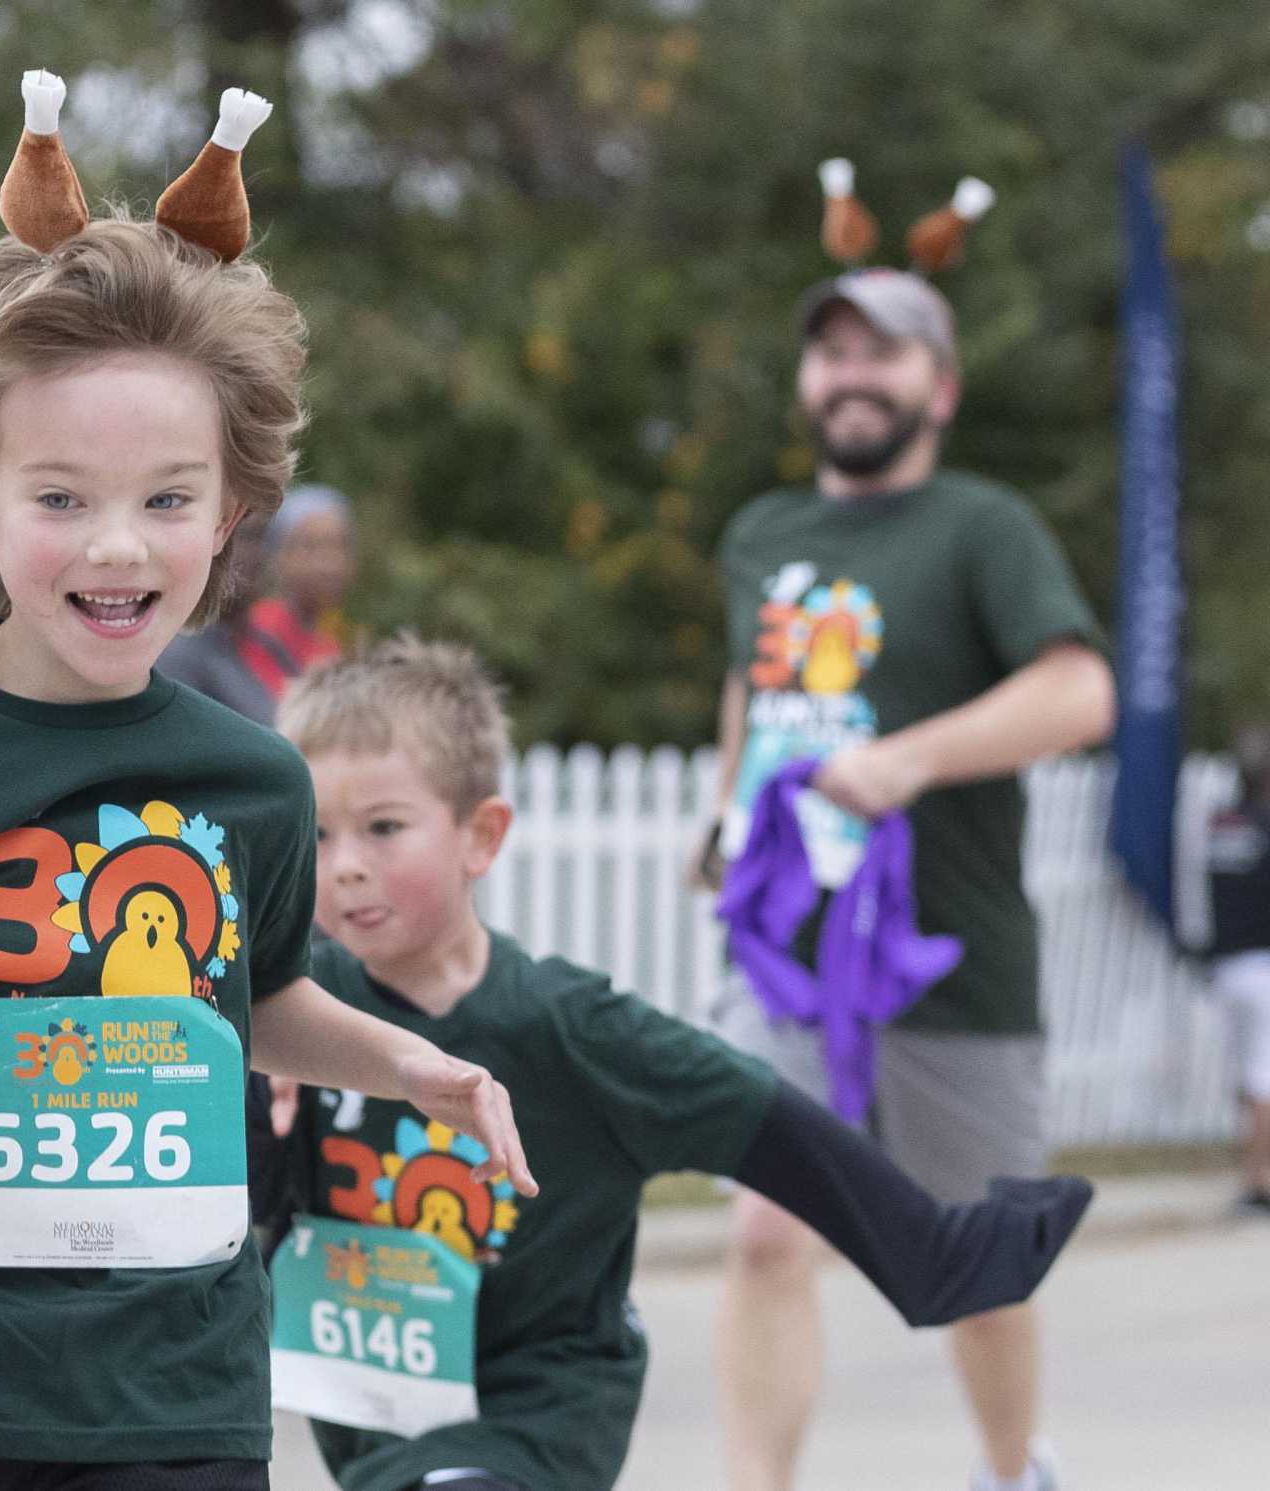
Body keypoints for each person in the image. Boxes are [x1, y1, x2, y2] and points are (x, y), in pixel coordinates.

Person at [0, 75, 536, 1491]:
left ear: (230, 516)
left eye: (167, 500)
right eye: (60, 498)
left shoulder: (252, 774)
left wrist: (405, 1059)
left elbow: (251, 996)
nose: (117, 548)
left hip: (179, 1356)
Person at [253, 636, 1092, 1491]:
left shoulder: (572, 1027)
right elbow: (244, 1197)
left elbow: (760, 1119)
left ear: (482, 835)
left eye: (383, 827)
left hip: (544, 1405)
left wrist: (928, 1249)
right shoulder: (289, 1009)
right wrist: (260, 1109)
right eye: (315, 834)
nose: (345, 863)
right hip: (377, 1410)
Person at [700, 269, 1116, 1491]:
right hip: (785, 955)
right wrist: (726, 818)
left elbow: (1078, 690)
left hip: (951, 957)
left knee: (975, 1262)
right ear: (804, 384)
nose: (851, 378)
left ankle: (1008, 1471)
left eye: (882, 356)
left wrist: (907, 762)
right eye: (829, 355)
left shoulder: (981, 527)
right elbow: (750, 686)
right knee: (766, 1235)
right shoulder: (760, 535)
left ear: (939, 385)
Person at [1204, 723, 1270, 1214]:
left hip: (1227, 966)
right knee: (1264, 1077)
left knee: (1246, 1077)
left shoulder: (1221, 823)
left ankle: (1252, 1168)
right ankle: (1260, 1180)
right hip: (1264, 968)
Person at [157, 515, 307, 724]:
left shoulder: (268, 644)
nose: (258, 556)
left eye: (264, 539)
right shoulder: (178, 654)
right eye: (244, 538)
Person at [246, 482, 353, 672]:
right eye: (310, 546)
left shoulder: (332, 645)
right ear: (278, 554)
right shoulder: (259, 633)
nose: (329, 563)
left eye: (339, 546)